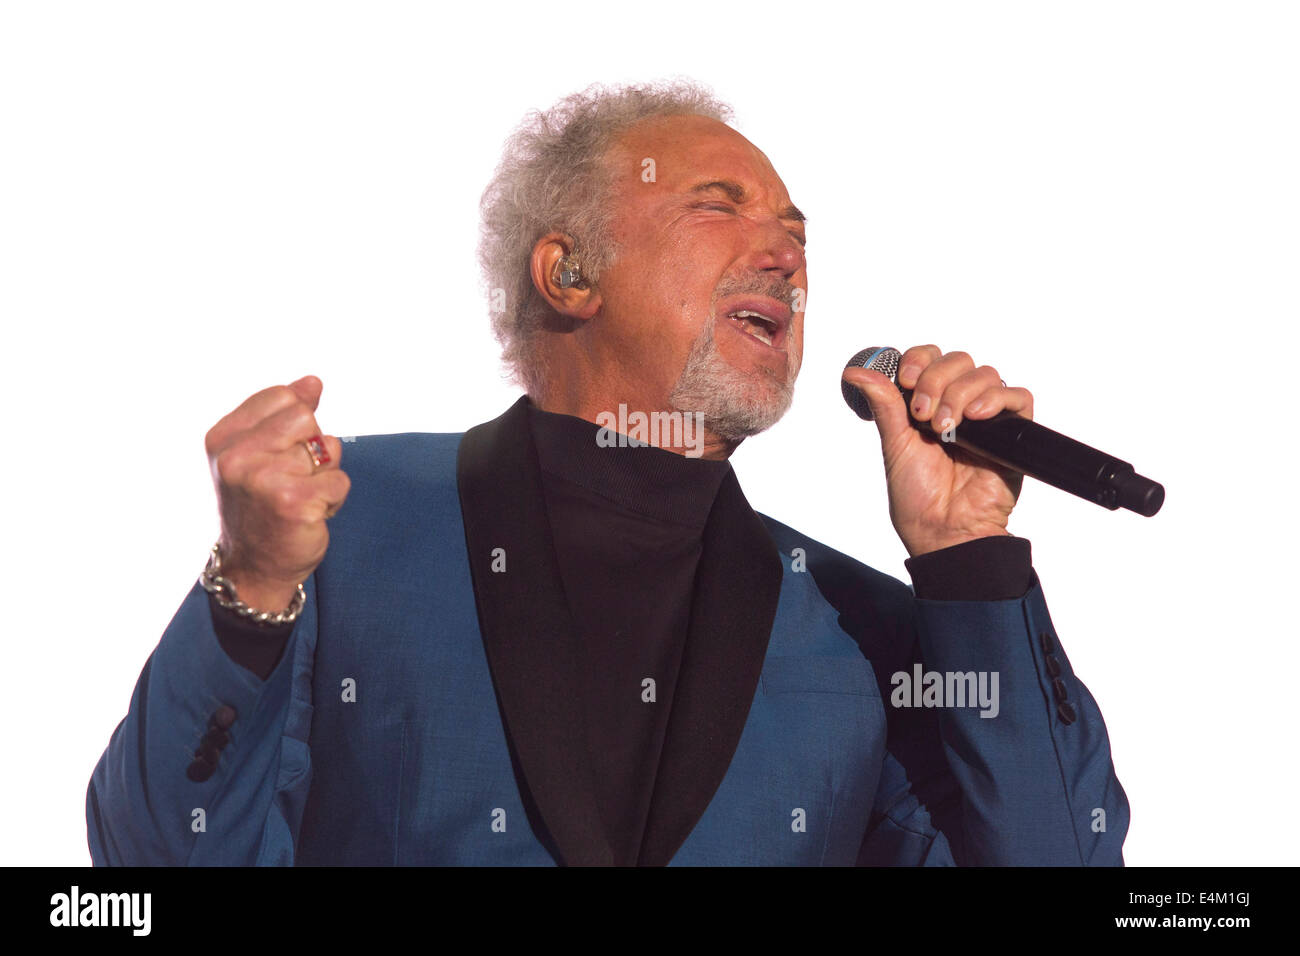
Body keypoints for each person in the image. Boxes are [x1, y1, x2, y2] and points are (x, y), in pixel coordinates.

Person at [86, 81, 1129, 866]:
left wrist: (970, 563)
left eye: (797, 239)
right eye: (719, 207)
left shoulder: (858, 625)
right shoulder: (349, 521)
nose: (785, 260)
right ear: (568, 271)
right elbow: (150, 862)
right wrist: (250, 595)